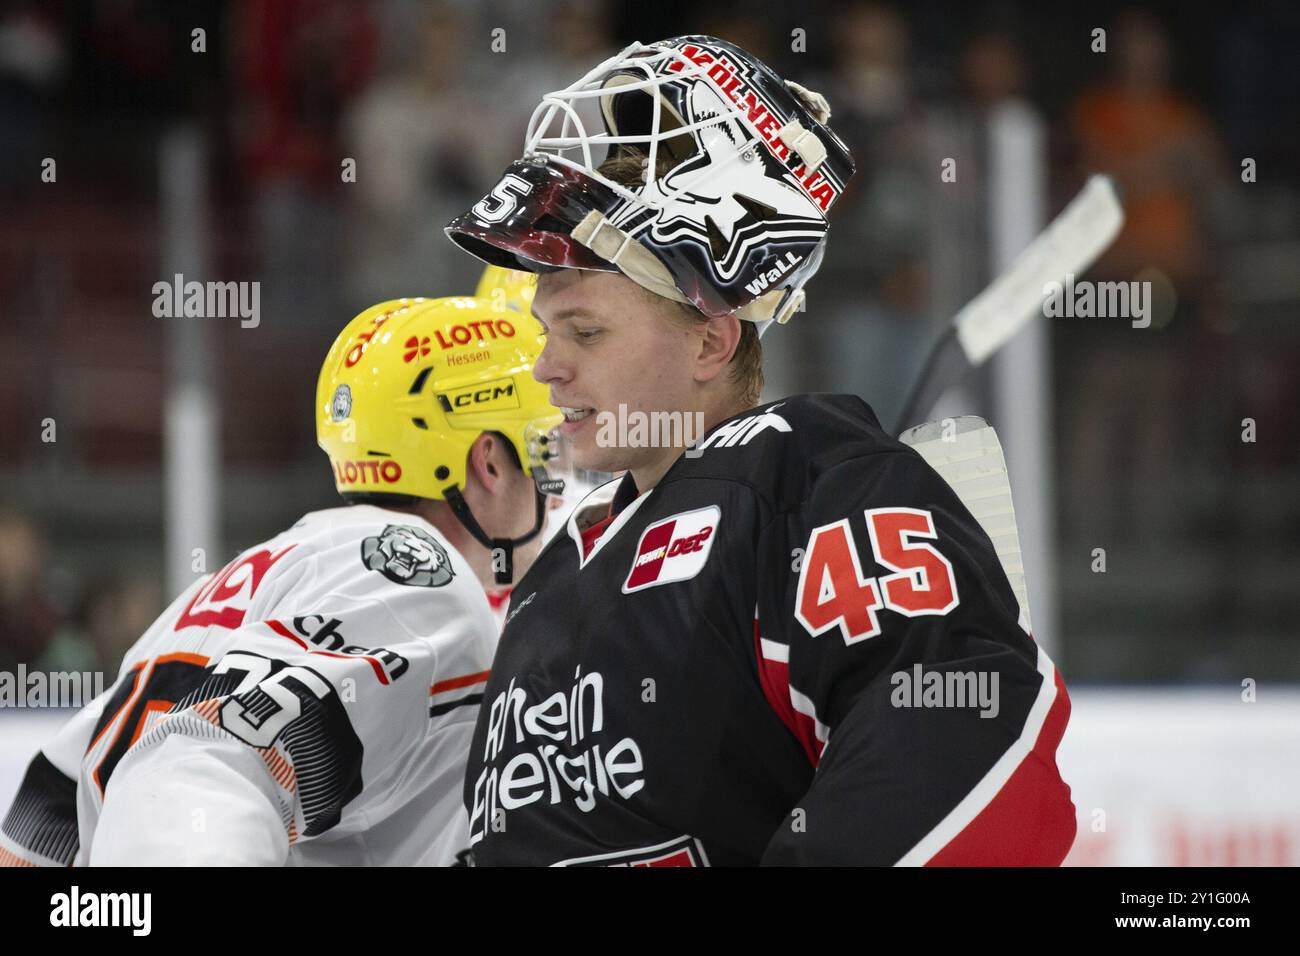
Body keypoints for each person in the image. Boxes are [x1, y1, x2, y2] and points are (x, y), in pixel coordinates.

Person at [444, 34, 1076, 865]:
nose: (546, 368)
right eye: (546, 331)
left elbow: (974, 750)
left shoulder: (805, 481)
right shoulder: (553, 580)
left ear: (711, 344)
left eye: (586, 331)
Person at [0, 292, 562, 866]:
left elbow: (49, 803)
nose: (557, 485)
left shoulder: (239, 580)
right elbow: (207, 764)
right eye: (544, 450)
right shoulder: (418, 584)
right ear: (488, 463)